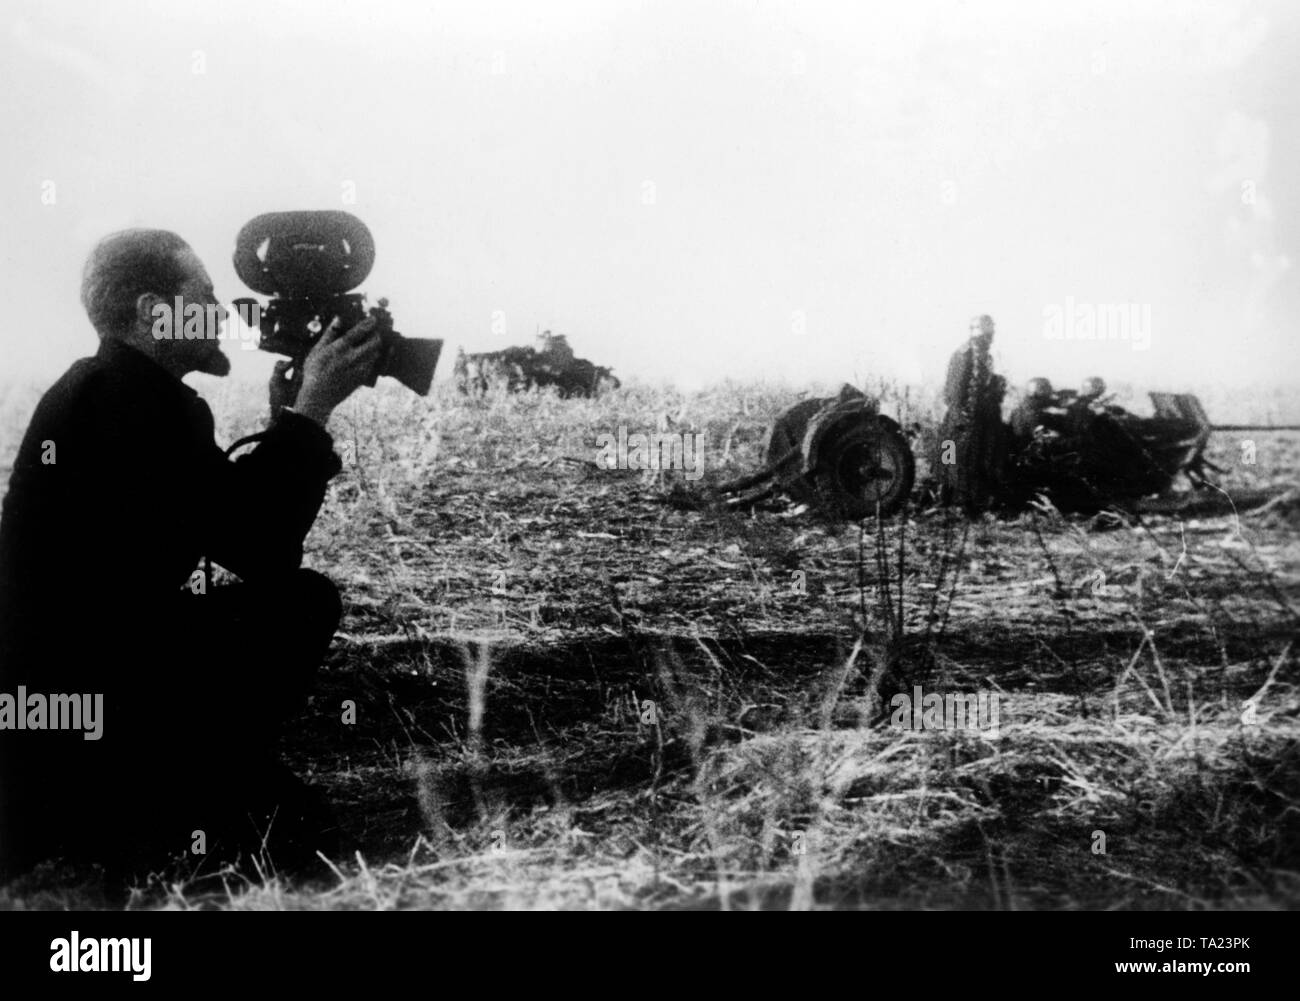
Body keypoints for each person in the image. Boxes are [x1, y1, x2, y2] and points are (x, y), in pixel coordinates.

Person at [0, 229, 382, 886]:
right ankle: (191, 788)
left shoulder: (114, 392)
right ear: (156, 312)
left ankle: (200, 780)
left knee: (293, 604)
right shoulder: (133, 404)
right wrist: (310, 413)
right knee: (297, 606)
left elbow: (234, 520)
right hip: (80, 716)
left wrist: (289, 420)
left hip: (60, 702)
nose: (223, 312)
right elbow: (263, 547)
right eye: (204, 295)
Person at [934, 315, 1007, 512]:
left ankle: (964, 501)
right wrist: (960, 415)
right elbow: (955, 388)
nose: (991, 338)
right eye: (988, 335)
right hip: (964, 417)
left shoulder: (984, 355)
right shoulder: (964, 354)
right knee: (954, 457)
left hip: (977, 415)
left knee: (968, 458)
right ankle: (954, 501)